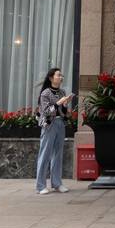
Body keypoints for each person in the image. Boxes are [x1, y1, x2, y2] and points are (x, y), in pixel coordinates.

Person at [35, 67, 73, 195]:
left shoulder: (62, 92)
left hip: (60, 124)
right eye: (58, 75)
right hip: (49, 125)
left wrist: (66, 106)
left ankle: (57, 183)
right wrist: (58, 104)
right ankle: (40, 186)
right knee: (45, 154)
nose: (61, 77)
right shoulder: (45, 93)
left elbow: (63, 113)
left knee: (58, 154)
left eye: (62, 75)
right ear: (51, 78)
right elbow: (45, 112)